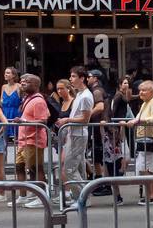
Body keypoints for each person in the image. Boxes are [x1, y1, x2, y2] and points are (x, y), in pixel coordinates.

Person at [56, 66, 94, 203]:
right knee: (78, 167)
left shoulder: (85, 96)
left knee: (69, 168)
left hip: (79, 134)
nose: (71, 79)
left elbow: (85, 119)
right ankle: (82, 197)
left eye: (73, 76)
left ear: (82, 78)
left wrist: (67, 120)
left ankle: (83, 197)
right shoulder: (79, 94)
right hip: (74, 133)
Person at [13, 73, 50, 209]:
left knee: (35, 168)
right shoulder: (27, 98)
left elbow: (43, 120)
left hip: (33, 140)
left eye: (26, 82)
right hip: (23, 140)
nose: (22, 83)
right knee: (19, 167)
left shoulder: (39, 100)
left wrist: (24, 121)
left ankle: (42, 197)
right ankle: (23, 195)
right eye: (22, 81)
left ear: (35, 85)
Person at [127, 80, 153, 204]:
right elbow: (137, 117)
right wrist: (130, 122)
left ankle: (150, 195)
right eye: (140, 90)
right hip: (146, 139)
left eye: (143, 90)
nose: (140, 93)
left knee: (145, 167)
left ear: (151, 91)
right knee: (148, 167)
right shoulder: (145, 103)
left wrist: (137, 122)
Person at [108, 77, 134, 178]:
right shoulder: (118, 95)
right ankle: (119, 171)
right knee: (123, 152)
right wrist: (115, 122)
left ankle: (120, 171)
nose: (126, 85)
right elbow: (112, 109)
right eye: (124, 83)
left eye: (127, 83)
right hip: (119, 126)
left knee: (125, 152)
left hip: (122, 125)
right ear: (120, 85)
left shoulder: (123, 95)